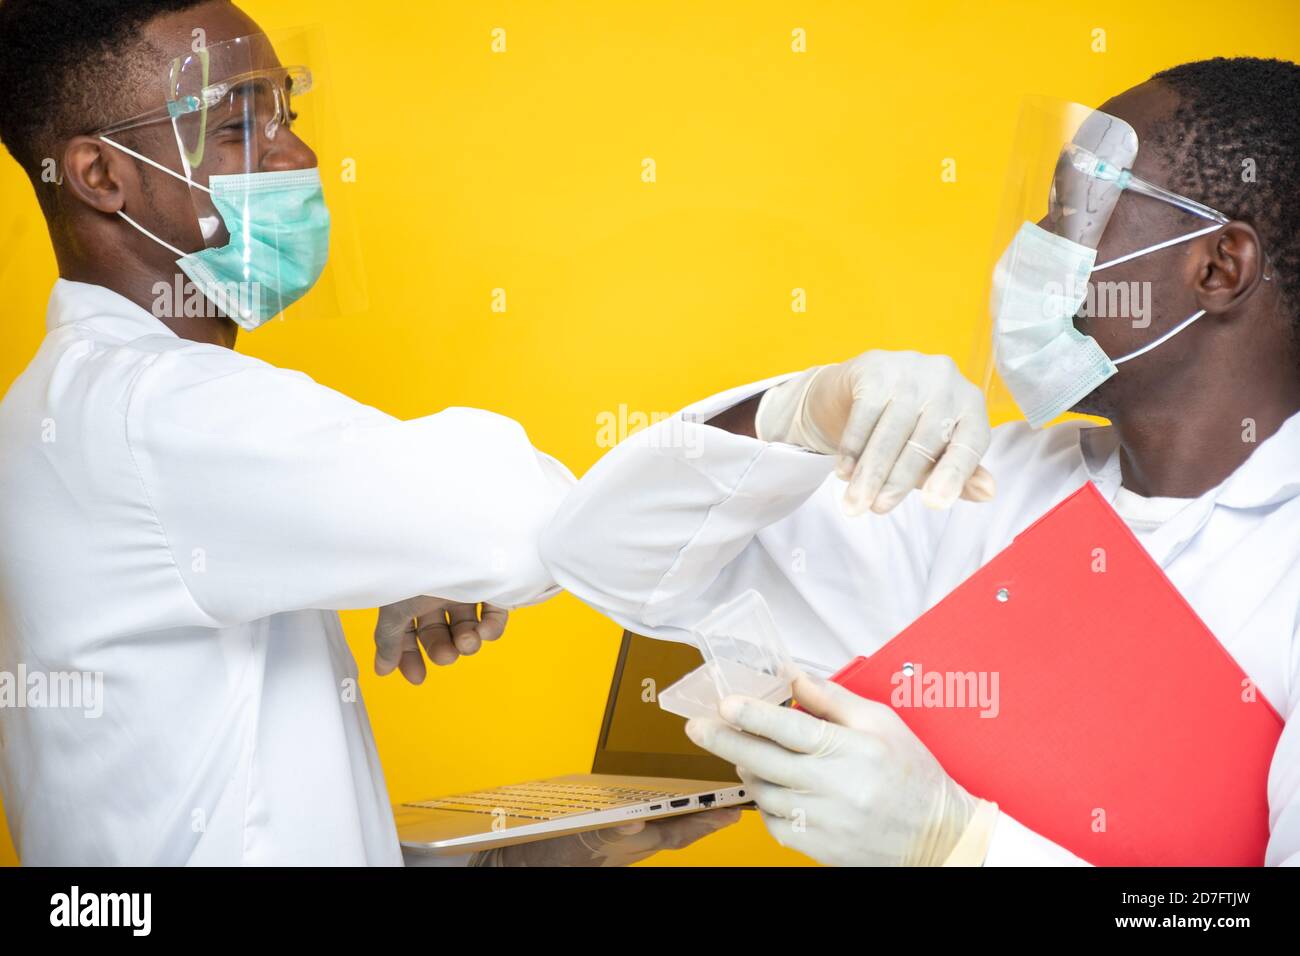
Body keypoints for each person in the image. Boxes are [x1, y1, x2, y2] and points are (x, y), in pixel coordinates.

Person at [0, 0, 734, 865]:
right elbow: (525, 523)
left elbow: (205, 804)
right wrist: (450, 552)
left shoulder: (52, 410)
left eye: (288, 113)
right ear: (99, 176)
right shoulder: (158, 408)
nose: (298, 155)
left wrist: (511, 859)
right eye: (238, 124)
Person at [541, 59, 1300, 866]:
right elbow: (607, 559)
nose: (1035, 244)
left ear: (1219, 268)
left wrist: (962, 846)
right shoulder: (984, 487)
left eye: (1078, 208)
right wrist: (793, 415)